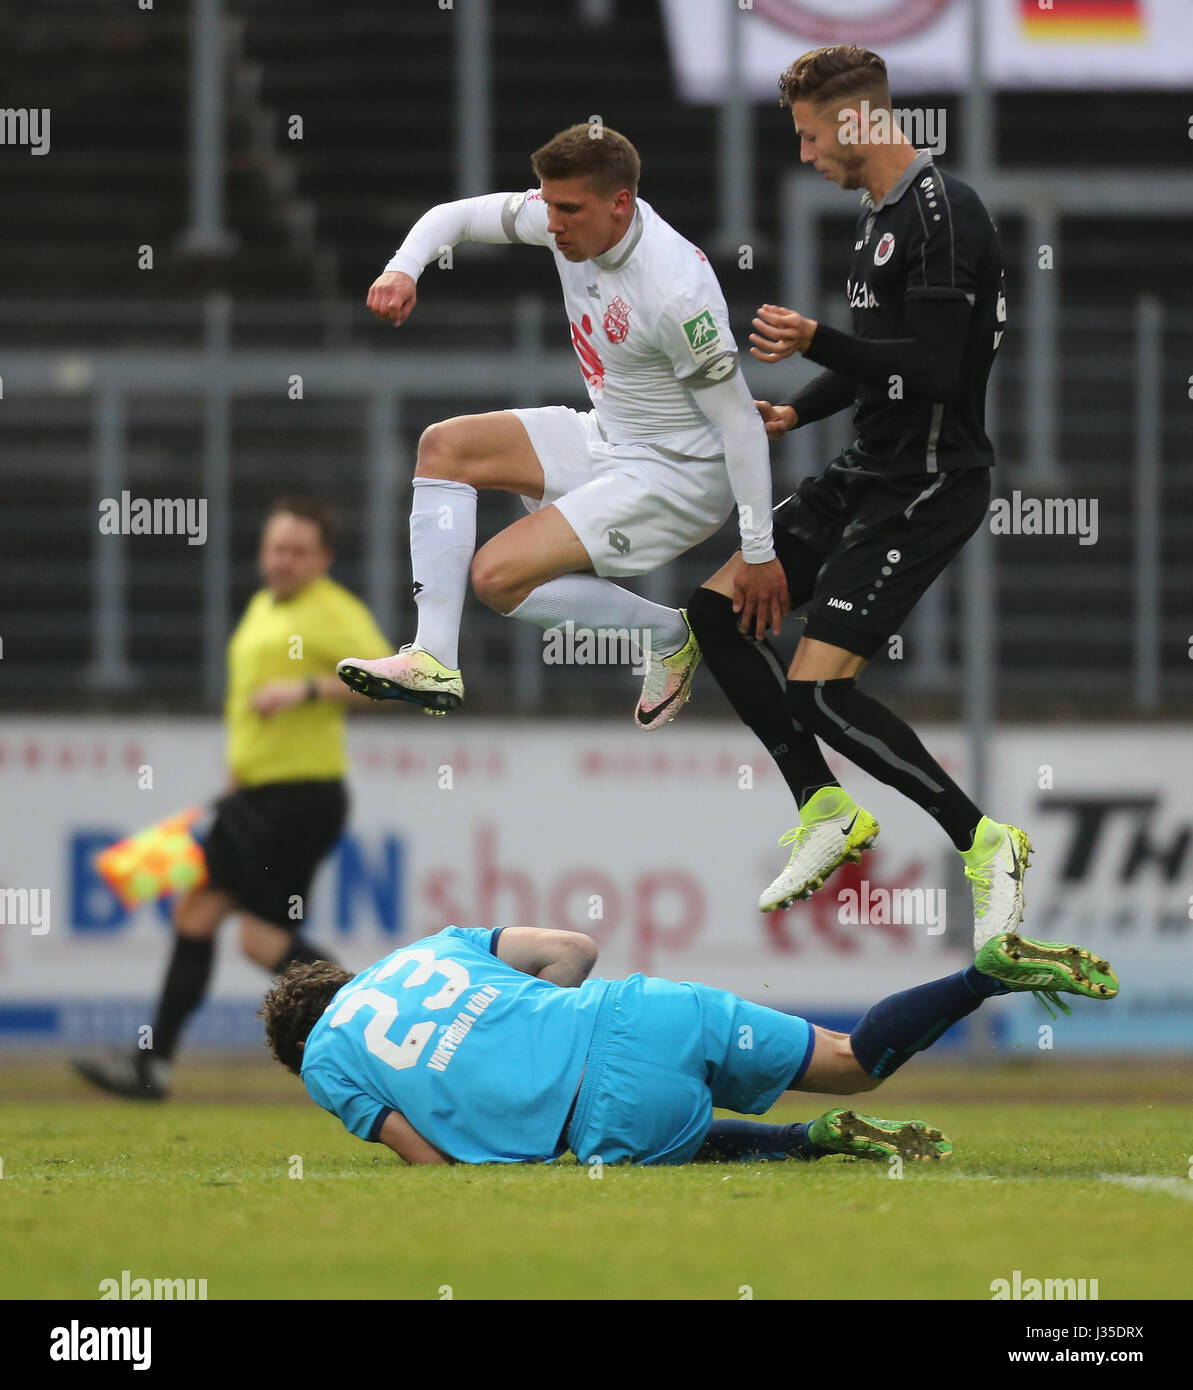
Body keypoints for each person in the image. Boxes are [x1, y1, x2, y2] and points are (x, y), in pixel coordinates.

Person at [677, 46, 1024, 956]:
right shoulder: (877, 215)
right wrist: (795, 406)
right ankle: (823, 808)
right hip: (866, 468)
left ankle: (984, 842)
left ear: (852, 120)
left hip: (928, 484)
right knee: (716, 609)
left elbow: (938, 369)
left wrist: (818, 340)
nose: (803, 155)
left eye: (805, 136)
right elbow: (883, 364)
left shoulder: (945, 215)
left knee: (823, 696)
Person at [336, 122, 786, 728]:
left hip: (676, 477)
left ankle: (667, 635)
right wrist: (403, 269)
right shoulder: (565, 216)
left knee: (496, 577)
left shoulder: (676, 291)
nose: (552, 225)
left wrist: (758, 552)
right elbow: (458, 215)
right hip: (608, 435)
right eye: (547, 205)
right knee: (444, 446)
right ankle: (433, 659)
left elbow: (740, 425)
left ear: (619, 204)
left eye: (568, 210)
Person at [261, 923, 1117, 1167]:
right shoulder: (431, 948)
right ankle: (984, 976)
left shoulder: (329, 1060)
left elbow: (429, 1163)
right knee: (856, 1063)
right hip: (650, 1008)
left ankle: (802, 1145)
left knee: (637, 1134)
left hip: (611, 1103)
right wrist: (527, 1023)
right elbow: (574, 949)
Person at [74, 498, 392, 1100]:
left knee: (260, 940)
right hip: (255, 795)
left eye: (298, 551)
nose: (284, 561)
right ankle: (154, 1066)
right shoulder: (262, 609)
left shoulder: (334, 612)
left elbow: (392, 678)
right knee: (196, 914)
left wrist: (304, 689)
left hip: (299, 799)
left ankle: (380, 1021)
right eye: (277, 549)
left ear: (323, 559)